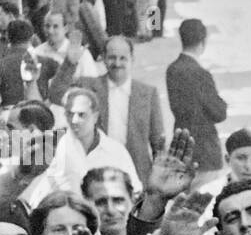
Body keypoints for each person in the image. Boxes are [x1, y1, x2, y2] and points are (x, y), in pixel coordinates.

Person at [50, 35, 166, 187]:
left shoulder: (148, 93)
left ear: (132, 59)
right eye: (112, 58)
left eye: (122, 58)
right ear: (103, 58)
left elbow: (158, 143)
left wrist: (158, 181)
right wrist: (70, 63)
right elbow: (56, 94)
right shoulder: (89, 86)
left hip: (135, 176)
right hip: (94, 173)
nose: (117, 63)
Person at [32, 88, 140, 201]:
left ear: (95, 116)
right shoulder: (49, 145)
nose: (74, 120)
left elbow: (135, 192)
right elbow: (35, 195)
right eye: (70, 114)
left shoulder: (116, 151)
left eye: (81, 115)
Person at [166, 19, 227, 178]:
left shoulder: (172, 70)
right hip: (205, 149)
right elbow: (219, 112)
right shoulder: (201, 74)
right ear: (203, 41)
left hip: (182, 145)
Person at [0, 19, 56, 107]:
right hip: (40, 112)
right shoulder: (48, 62)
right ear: (32, 37)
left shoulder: (2, 65)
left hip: (10, 115)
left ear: (8, 37)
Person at [34, 11, 98, 80]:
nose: (50, 31)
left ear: (65, 29)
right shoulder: (37, 53)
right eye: (47, 26)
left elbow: (92, 83)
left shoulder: (81, 54)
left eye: (55, 26)